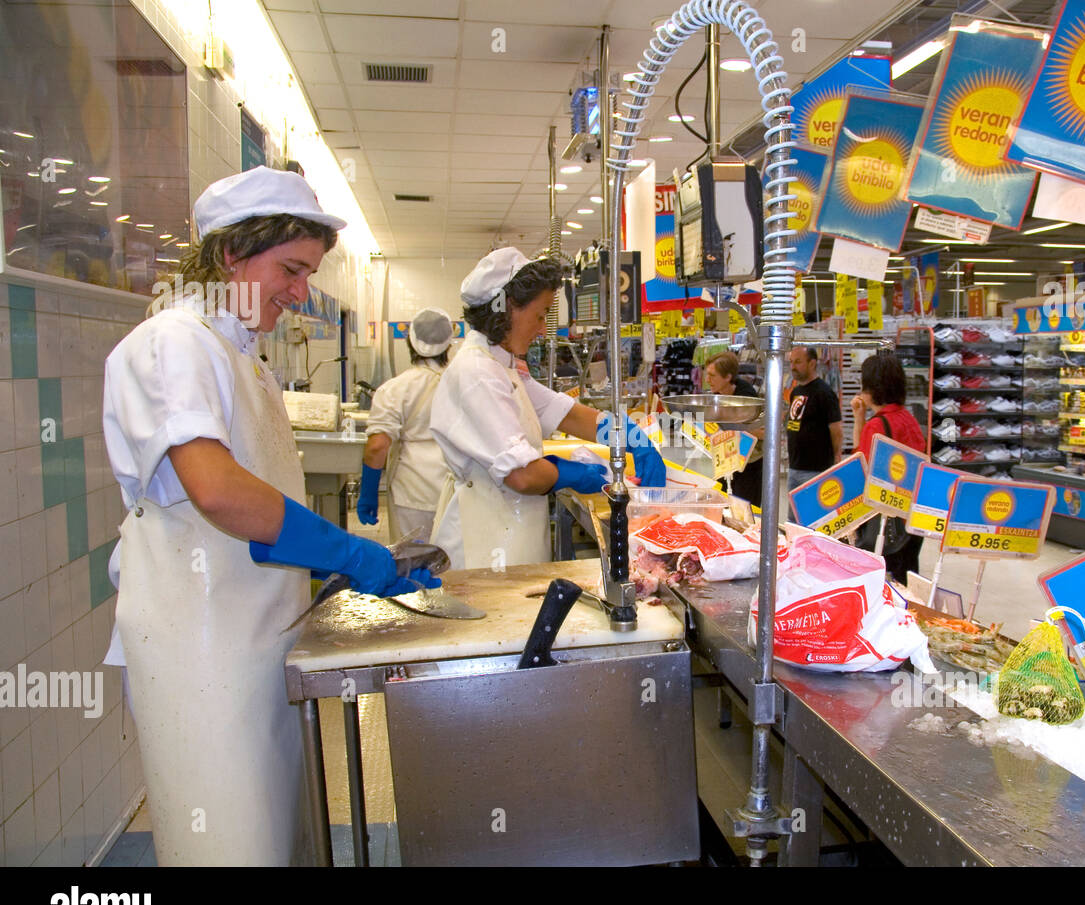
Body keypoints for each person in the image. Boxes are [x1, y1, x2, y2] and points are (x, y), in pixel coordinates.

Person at [101, 166, 438, 866]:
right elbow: (218, 490)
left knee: (279, 835)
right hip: (201, 649)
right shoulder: (176, 341)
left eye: (307, 273)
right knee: (227, 842)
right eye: (289, 269)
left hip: (257, 641)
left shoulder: (243, 358)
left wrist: (310, 583)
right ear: (232, 252)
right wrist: (348, 552)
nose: (299, 292)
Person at [428, 248, 667, 569]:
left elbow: (564, 413)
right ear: (508, 308)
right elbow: (523, 476)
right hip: (484, 540)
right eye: (540, 315)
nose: (542, 329)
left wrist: (629, 437)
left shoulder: (500, 363)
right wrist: (576, 474)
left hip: (508, 526)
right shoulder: (477, 372)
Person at [356, 307, 455, 542]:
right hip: (455, 490)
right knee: (453, 566)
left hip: (412, 493)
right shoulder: (460, 384)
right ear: (449, 345)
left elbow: (377, 446)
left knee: (413, 564)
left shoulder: (395, 389)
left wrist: (368, 493)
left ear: (409, 343)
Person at [851, 353, 926, 583]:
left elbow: (860, 470)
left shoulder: (876, 426)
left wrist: (858, 419)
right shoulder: (908, 419)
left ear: (870, 387)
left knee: (885, 586)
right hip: (913, 519)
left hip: (888, 523)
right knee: (906, 583)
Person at [704, 351, 764, 505]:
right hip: (726, 458)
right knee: (722, 501)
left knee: (745, 508)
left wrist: (732, 426)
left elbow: (762, 432)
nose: (707, 380)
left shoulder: (745, 397)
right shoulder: (719, 394)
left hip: (747, 464)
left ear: (728, 377)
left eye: (712, 375)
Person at [785, 346, 844, 493]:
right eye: (791, 362)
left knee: (812, 515)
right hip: (794, 467)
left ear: (812, 363)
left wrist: (836, 456)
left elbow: (836, 429)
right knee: (793, 516)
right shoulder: (796, 392)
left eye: (798, 362)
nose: (793, 367)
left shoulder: (824, 393)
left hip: (816, 469)